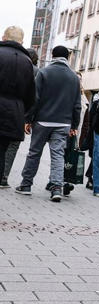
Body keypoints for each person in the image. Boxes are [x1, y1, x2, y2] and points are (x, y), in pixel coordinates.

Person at [16, 46, 81, 202]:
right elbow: (77, 105)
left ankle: (26, 185)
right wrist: (74, 126)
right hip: (63, 123)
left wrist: (28, 119)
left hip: (42, 121)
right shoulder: (74, 78)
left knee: (34, 152)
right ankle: (57, 188)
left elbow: (35, 98)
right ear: (68, 58)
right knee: (58, 155)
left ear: (53, 56)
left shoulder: (44, 72)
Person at [0, 27, 36, 189]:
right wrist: (22, 111)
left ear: (3, 37)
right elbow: (31, 95)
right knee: (1, 152)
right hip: (13, 114)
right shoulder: (27, 62)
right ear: (22, 42)